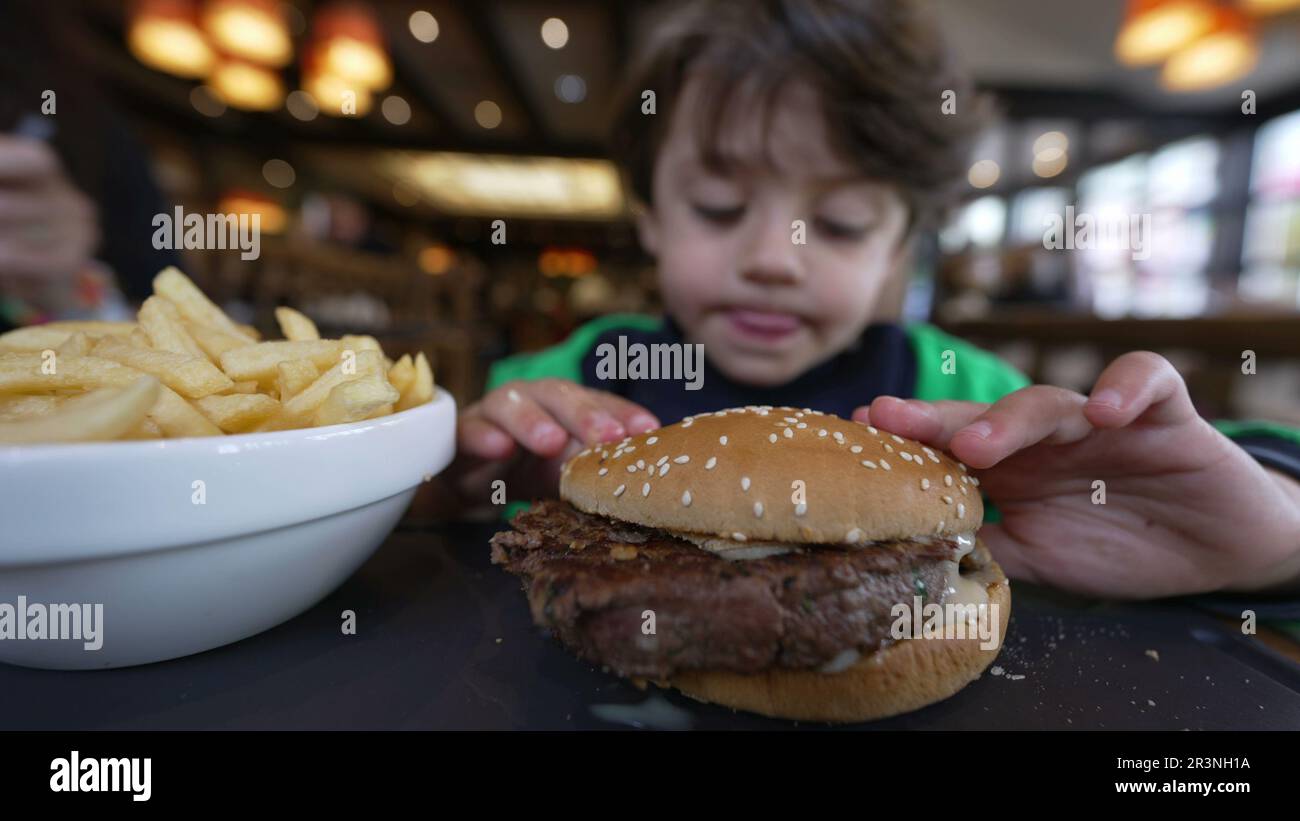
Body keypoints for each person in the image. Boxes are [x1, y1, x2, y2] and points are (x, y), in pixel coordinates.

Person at [442, 0, 1300, 601]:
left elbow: (1208, 477)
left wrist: (1273, 542)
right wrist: (441, 487)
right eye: (717, 207)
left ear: (899, 247)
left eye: (843, 222)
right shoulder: (561, 386)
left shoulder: (982, 404)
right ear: (651, 220)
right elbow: (440, 527)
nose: (776, 258)